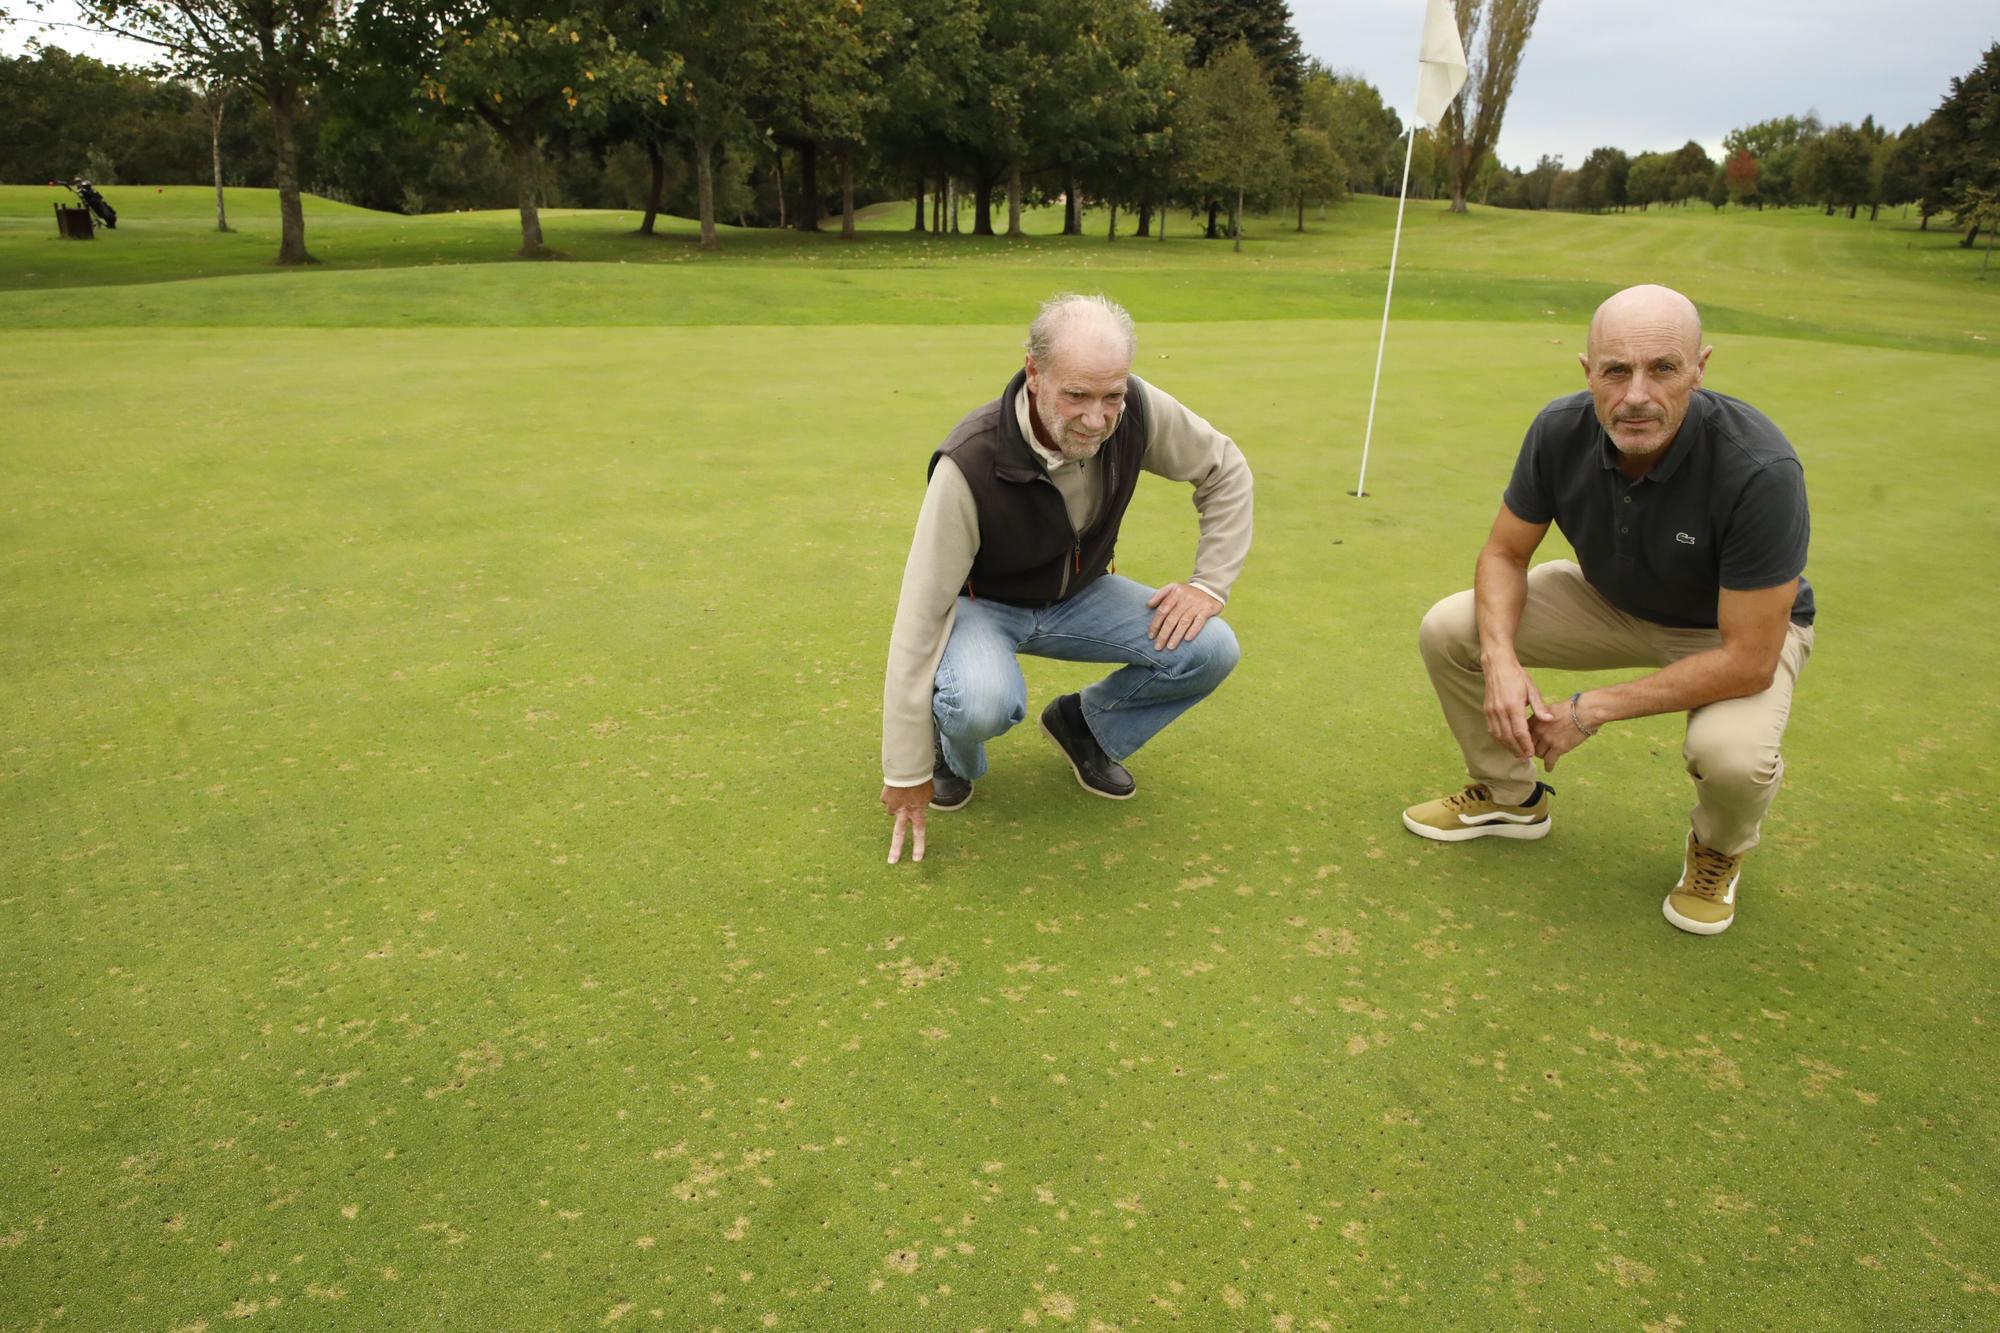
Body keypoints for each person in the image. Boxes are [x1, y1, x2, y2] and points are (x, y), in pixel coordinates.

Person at [1401, 284, 1815, 936]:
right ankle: (1509, 795)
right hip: (1607, 599)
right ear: (1588, 371)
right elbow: (1505, 554)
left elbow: (1750, 659)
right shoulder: (1559, 429)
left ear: (1700, 368)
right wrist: (1502, 659)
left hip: (1725, 633)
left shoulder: (1760, 467)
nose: (1637, 396)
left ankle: (1717, 849)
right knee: (1452, 629)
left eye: (1663, 368)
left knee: (1732, 754)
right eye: (1616, 370)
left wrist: (1586, 710)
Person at [880, 292, 1253, 864]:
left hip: (1081, 594)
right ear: (1034, 373)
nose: (1097, 418)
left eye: (1112, 396)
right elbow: (919, 615)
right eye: (1076, 395)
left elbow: (1224, 468)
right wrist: (903, 767)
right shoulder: (969, 463)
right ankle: (947, 753)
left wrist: (1208, 583)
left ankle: (1085, 727)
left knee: (1209, 648)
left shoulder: (1140, 412)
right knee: (981, 703)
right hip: (984, 606)